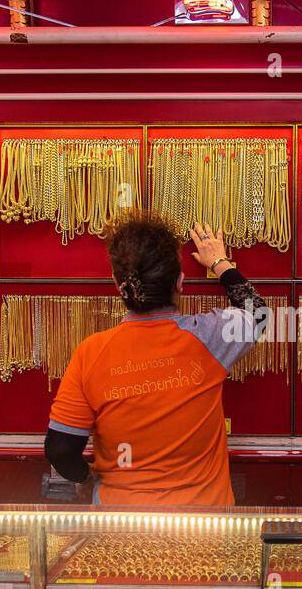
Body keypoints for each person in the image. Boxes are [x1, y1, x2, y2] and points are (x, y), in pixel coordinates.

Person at [44, 215, 266, 506]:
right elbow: (258, 313)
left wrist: (87, 481)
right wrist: (219, 262)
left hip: (119, 527)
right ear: (180, 282)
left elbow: (60, 449)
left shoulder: (91, 353)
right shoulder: (209, 336)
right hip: (204, 525)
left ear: (117, 285)